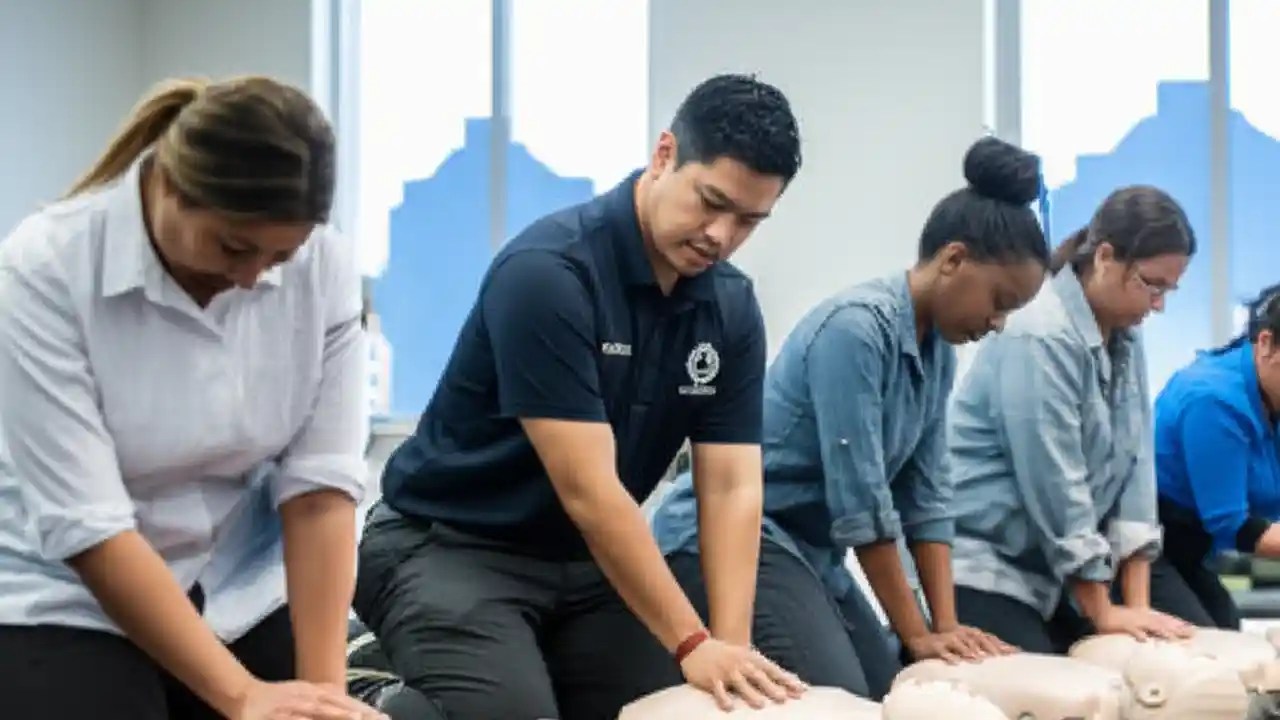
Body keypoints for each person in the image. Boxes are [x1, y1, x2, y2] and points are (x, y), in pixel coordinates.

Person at [352, 73, 807, 720]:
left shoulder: (729, 308)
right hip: (447, 544)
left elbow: (732, 485)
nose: (721, 235)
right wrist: (690, 639)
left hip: (581, 564)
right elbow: (589, 490)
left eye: (748, 221)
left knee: (681, 706)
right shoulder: (549, 273)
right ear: (664, 155)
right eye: (711, 202)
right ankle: (368, 691)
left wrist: (725, 650)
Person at [0, 77, 384, 720]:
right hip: (67, 592)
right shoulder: (42, 271)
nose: (252, 277)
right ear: (169, 187)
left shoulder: (322, 267)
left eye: (279, 256)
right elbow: (90, 526)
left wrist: (325, 699)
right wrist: (241, 697)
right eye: (233, 247)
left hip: (237, 584)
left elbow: (319, 494)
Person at [650, 136, 1047, 700]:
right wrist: (916, 633)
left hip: (812, 553)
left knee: (894, 686)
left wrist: (943, 629)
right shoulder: (856, 330)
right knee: (846, 697)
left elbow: (927, 498)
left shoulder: (936, 352)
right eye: (999, 301)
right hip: (735, 539)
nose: (999, 323)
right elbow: (862, 505)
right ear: (954, 259)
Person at [948, 185, 1199, 654]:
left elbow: (1136, 472)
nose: (1159, 303)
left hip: (1055, 578)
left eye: (1170, 290)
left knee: (1163, 660)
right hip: (983, 569)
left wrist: (1137, 608)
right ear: (1105, 257)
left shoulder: (1125, 332)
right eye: (1152, 285)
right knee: (1063, 694)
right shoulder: (1040, 333)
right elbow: (1056, 487)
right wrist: (1103, 613)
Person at [1149, 283, 1280, 630]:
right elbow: (1234, 525)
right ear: (1265, 343)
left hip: (1196, 551)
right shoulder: (1213, 400)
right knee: (1210, 653)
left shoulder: (1272, 392)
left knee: (1230, 640)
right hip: (1146, 549)